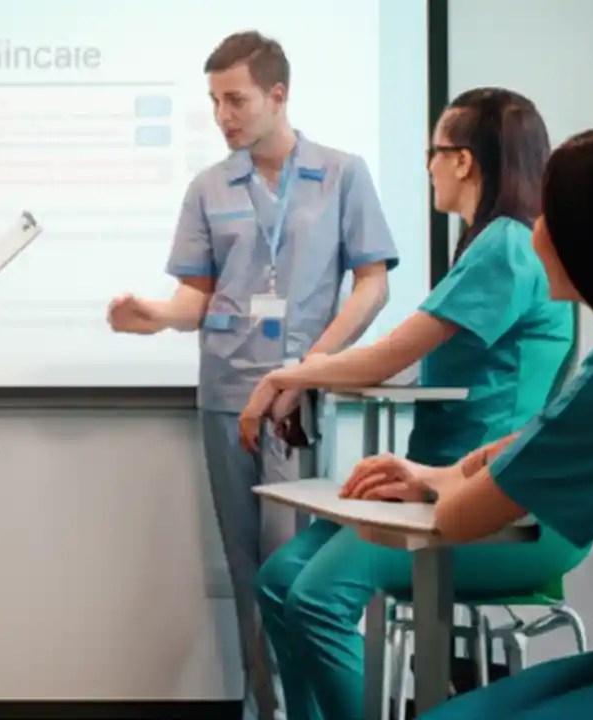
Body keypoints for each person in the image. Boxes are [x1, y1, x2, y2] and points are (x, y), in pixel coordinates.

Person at [243, 88, 592, 720]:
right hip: (432, 484)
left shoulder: (506, 246)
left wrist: (284, 377)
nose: (426, 166)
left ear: (461, 161)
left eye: (432, 152)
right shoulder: (491, 244)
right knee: (279, 580)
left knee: (318, 597)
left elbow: (389, 357)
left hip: (496, 500)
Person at [106, 31, 397, 718]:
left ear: (278, 94)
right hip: (228, 397)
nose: (224, 116)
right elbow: (196, 301)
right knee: (246, 571)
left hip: (305, 401)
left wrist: (309, 367)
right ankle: (263, 709)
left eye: (235, 100)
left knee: (294, 570)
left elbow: (371, 286)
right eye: (214, 102)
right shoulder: (209, 187)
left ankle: (311, 710)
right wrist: (149, 315)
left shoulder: (342, 173)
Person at [350, 122, 593, 719]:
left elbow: (458, 517)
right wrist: (443, 472)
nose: (535, 229)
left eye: (548, 213)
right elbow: (527, 449)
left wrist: (468, 476)